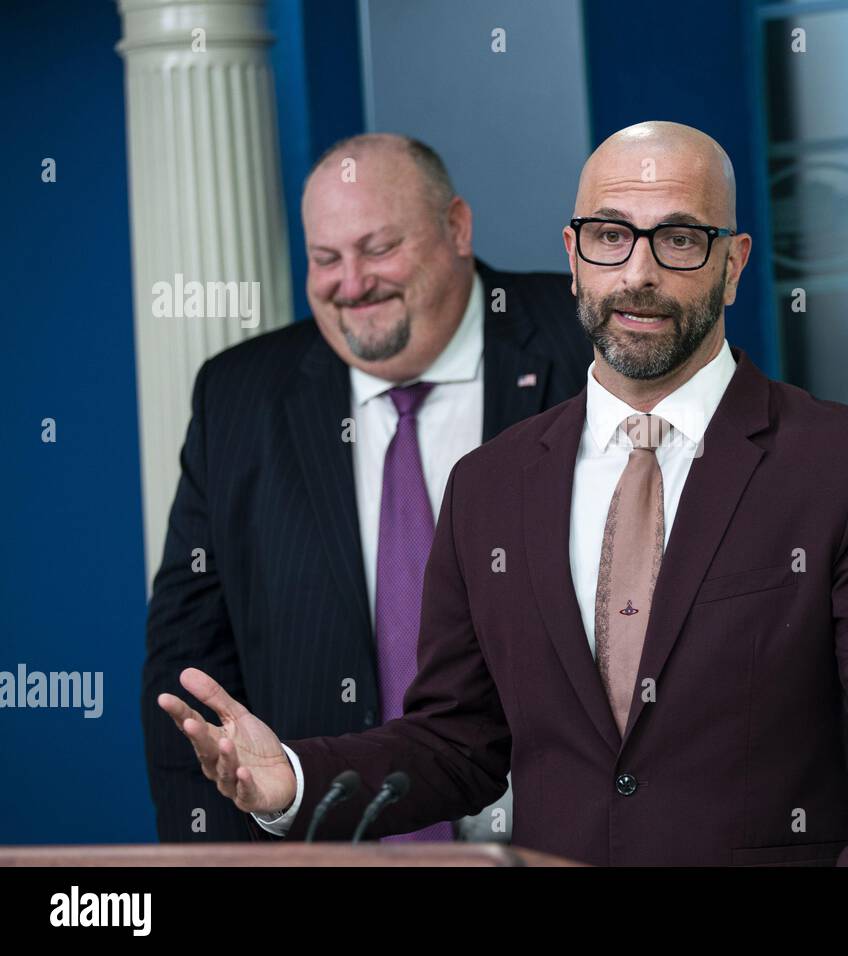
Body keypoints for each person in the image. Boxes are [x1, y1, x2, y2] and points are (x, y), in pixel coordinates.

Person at [158, 121, 848, 865]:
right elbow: (457, 743)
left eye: (681, 239)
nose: (640, 272)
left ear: (733, 265)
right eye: (611, 236)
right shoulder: (486, 485)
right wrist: (295, 779)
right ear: (575, 255)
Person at [142, 133, 591, 843]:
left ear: (456, 229)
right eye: (326, 258)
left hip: (570, 840)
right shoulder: (240, 397)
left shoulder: (589, 340)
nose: (351, 284)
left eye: (378, 249)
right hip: (328, 844)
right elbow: (190, 664)